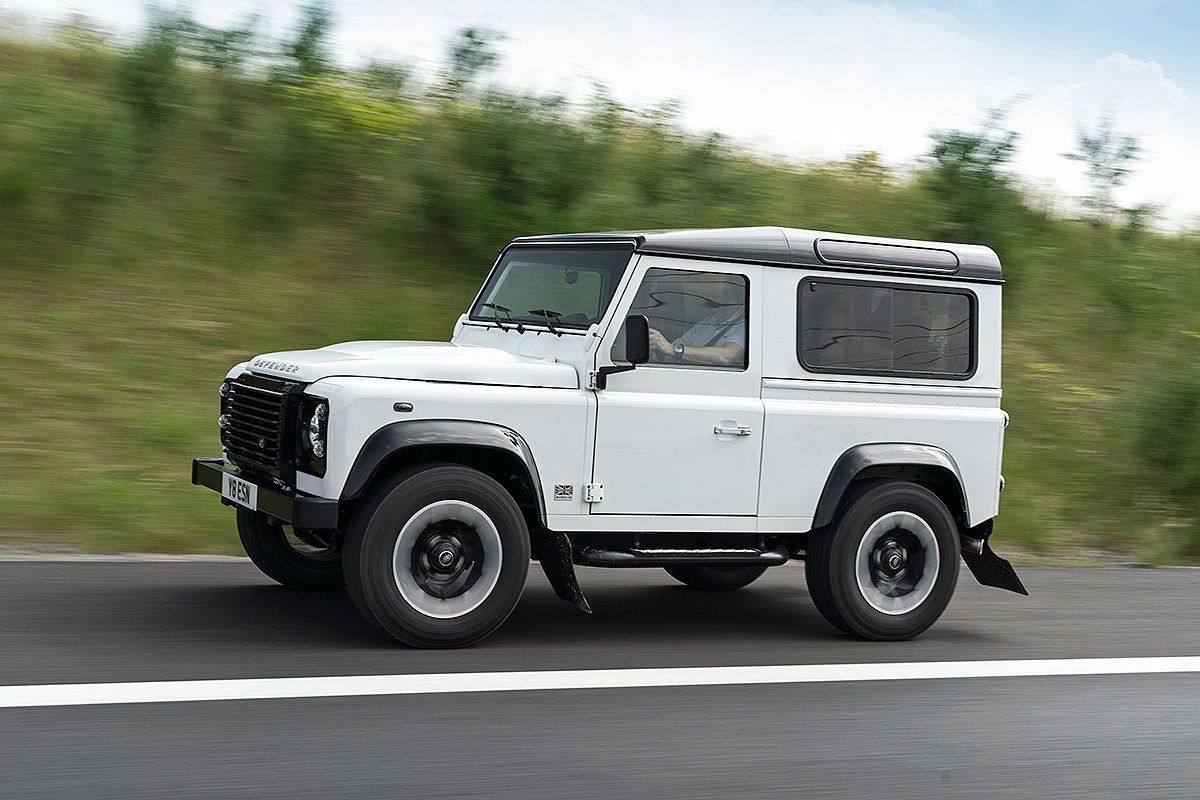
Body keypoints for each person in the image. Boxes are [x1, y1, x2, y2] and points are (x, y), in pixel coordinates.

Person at [647, 277, 746, 367]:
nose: (707, 289)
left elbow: (727, 356)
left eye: (714, 282)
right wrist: (654, 346)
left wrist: (673, 350)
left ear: (731, 289)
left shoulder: (747, 324)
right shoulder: (706, 324)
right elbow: (670, 355)